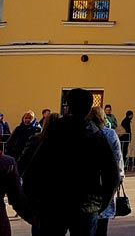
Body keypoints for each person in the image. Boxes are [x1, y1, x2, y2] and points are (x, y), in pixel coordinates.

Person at [22, 88, 119, 236]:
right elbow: (112, 174)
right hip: (86, 205)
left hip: (54, 203)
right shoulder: (96, 135)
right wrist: (101, 203)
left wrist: (33, 201)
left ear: (67, 106)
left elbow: (34, 168)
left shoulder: (54, 131)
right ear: (88, 108)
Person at [90, 107, 124, 236]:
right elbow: (117, 157)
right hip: (106, 181)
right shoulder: (110, 133)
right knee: (102, 224)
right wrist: (119, 176)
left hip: (87, 183)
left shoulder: (84, 132)